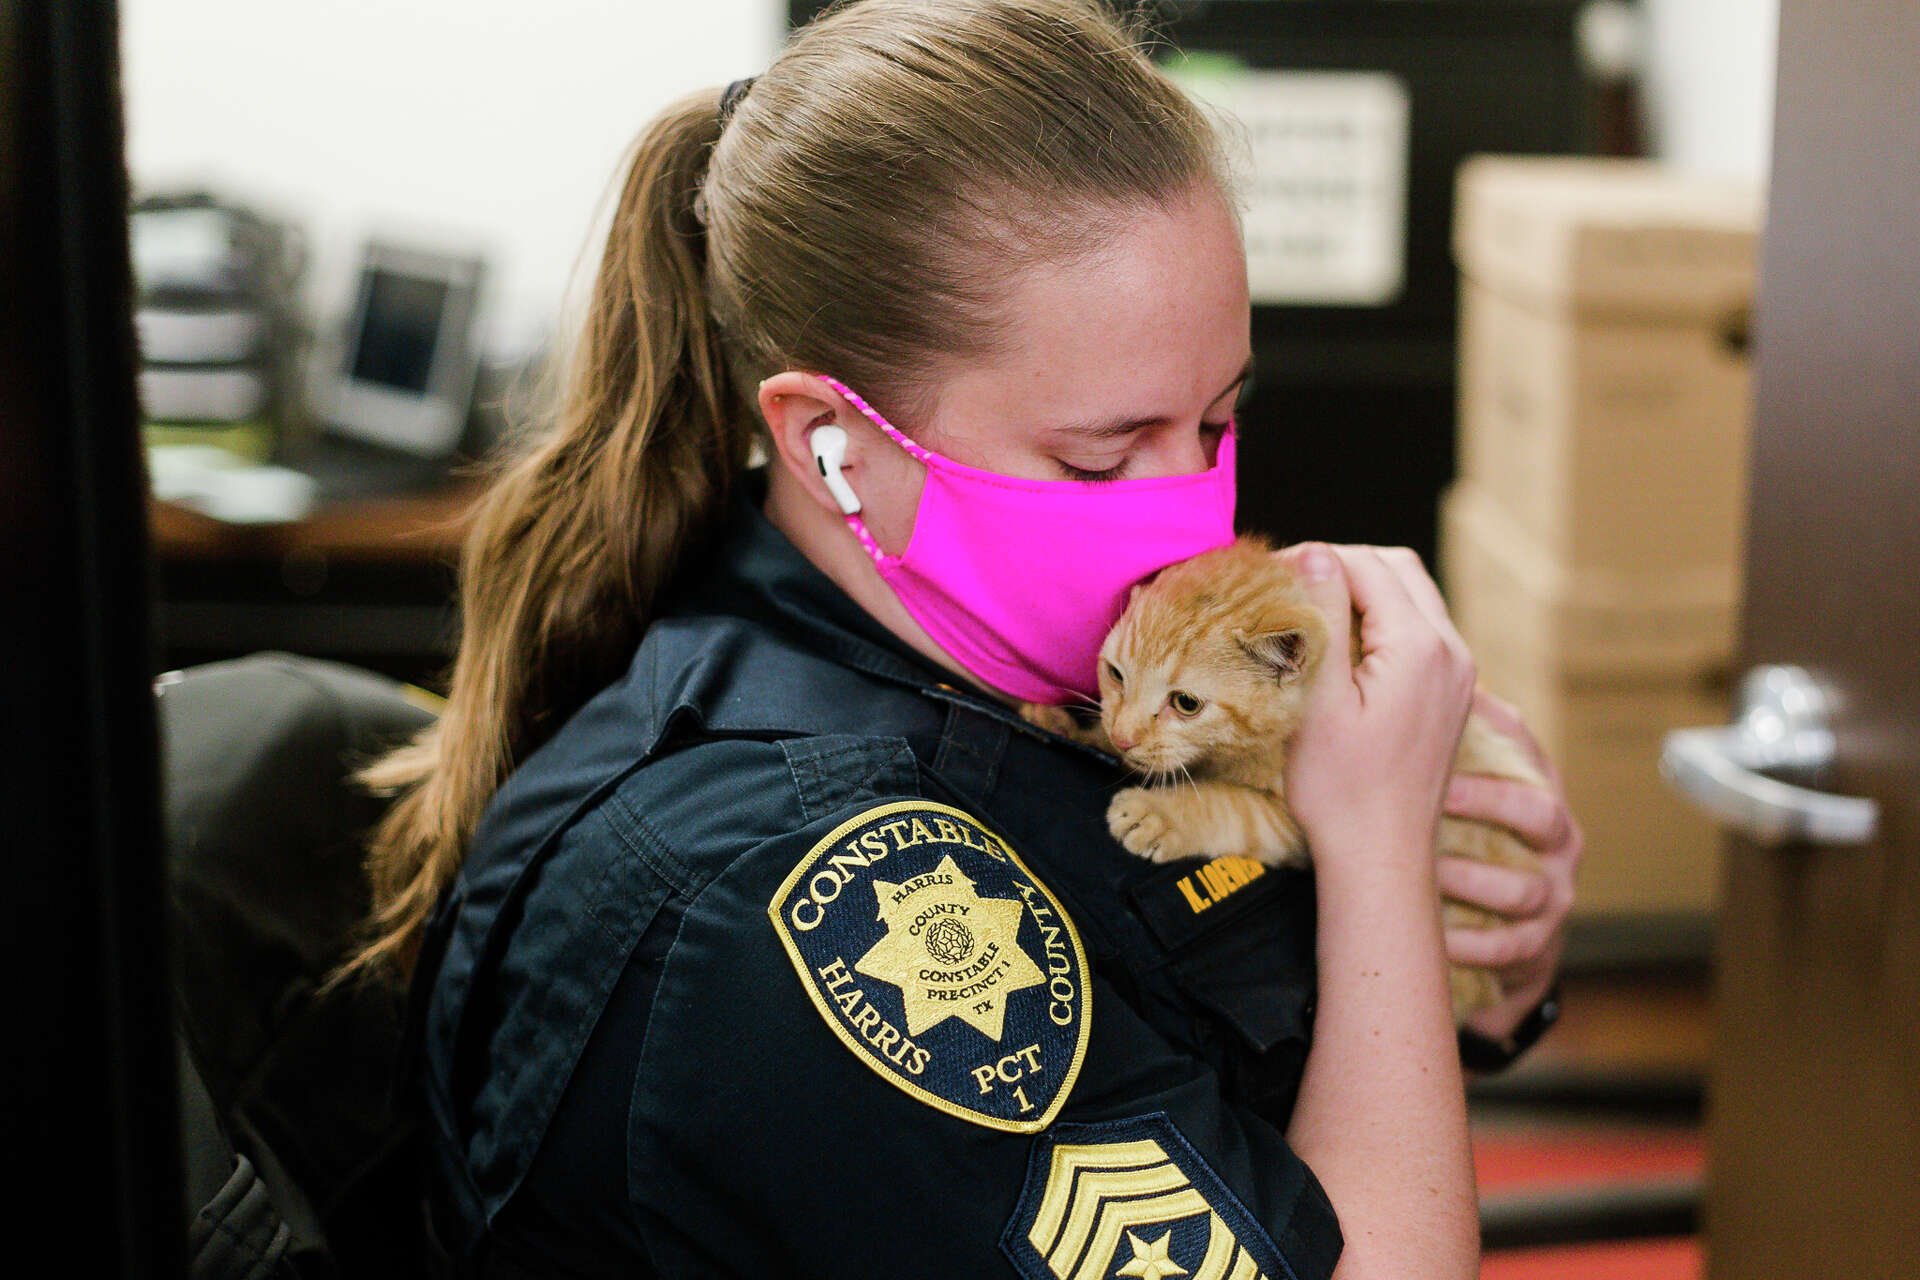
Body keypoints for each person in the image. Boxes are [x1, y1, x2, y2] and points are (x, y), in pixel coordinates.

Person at [346, 2, 1581, 1275]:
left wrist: (1462, 942)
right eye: (1102, 460)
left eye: (1218, 423)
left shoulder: (1015, 660)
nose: (1184, 514)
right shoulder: (811, 905)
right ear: (832, 440)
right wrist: (1376, 851)